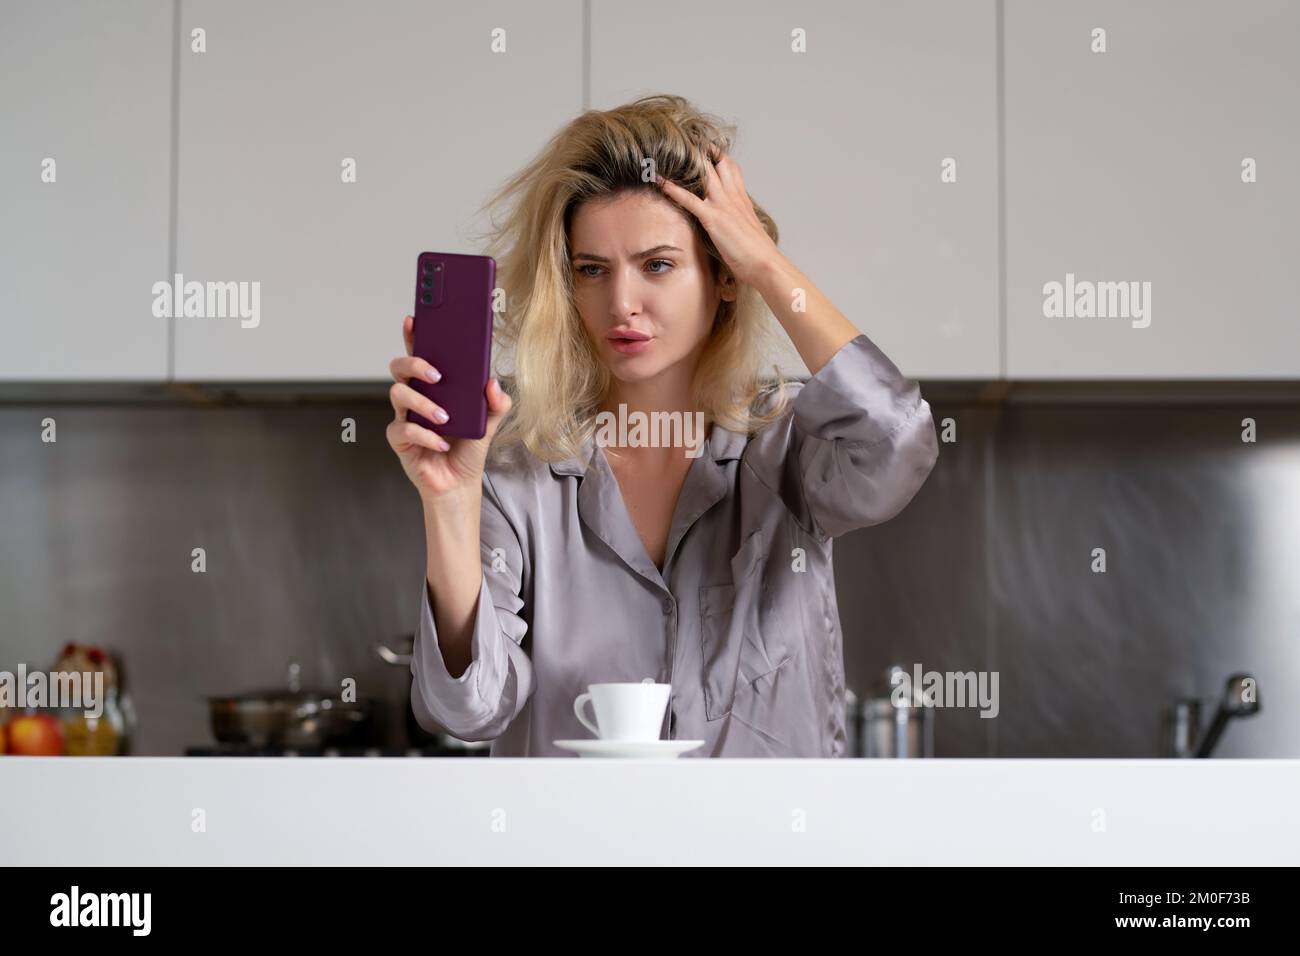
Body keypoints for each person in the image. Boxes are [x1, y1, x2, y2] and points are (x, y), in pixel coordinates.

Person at [385, 94, 939, 757]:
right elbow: (466, 712)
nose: (622, 303)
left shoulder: (788, 446)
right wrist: (449, 505)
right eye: (592, 270)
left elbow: (898, 441)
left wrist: (764, 264)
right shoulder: (516, 475)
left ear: (723, 274)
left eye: (657, 264)